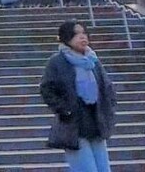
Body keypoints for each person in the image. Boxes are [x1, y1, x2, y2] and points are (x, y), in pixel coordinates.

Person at [41, 20, 118, 172]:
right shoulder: (57, 62)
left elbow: (106, 87)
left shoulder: (93, 60)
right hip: (74, 125)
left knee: (103, 169)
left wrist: (109, 107)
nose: (82, 37)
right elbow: (47, 89)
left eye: (84, 33)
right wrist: (64, 110)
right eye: (77, 34)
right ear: (66, 38)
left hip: (96, 121)